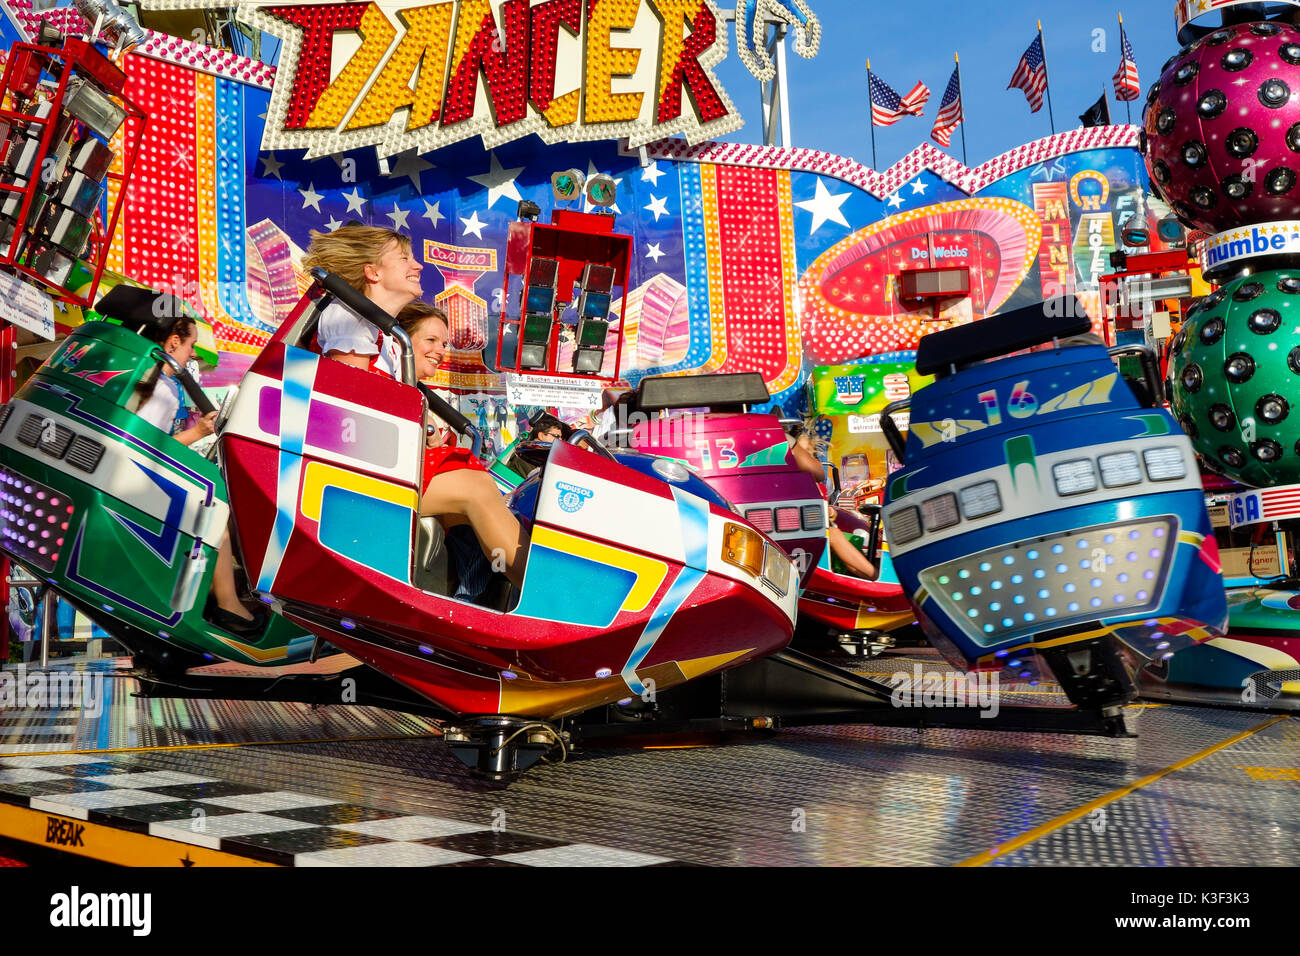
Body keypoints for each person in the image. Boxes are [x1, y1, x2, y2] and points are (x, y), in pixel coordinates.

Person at [303, 227, 529, 589]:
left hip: (386, 463)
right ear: (373, 272)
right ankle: (535, 600)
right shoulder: (349, 317)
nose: (418, 265)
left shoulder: (388, 339)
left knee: (484, 494)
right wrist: (417, 432)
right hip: (353, 472)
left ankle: (468, 597)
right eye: (405, 258)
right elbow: (350, 410)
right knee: (474, 490)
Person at [134, 312, 265, 634]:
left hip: (142, 479)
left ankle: (217, 594)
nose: (193, 354)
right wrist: (199, 432)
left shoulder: (153, 379)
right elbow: (143, 446)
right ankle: (228, 606)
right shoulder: (161, 388)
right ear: (174, 342)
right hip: (140, 483)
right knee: (215, 521)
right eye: (191, 345)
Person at [786, 424, 880, 581]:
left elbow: (826, 507)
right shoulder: (792, 481)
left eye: (809, 454)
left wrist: (831, 512)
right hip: (800, 531)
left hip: (815, 527)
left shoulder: (819, 483)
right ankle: (875, 577)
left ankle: (866, 575)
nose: (807, 458)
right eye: (802, 454)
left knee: (857, 535)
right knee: (834, 536)